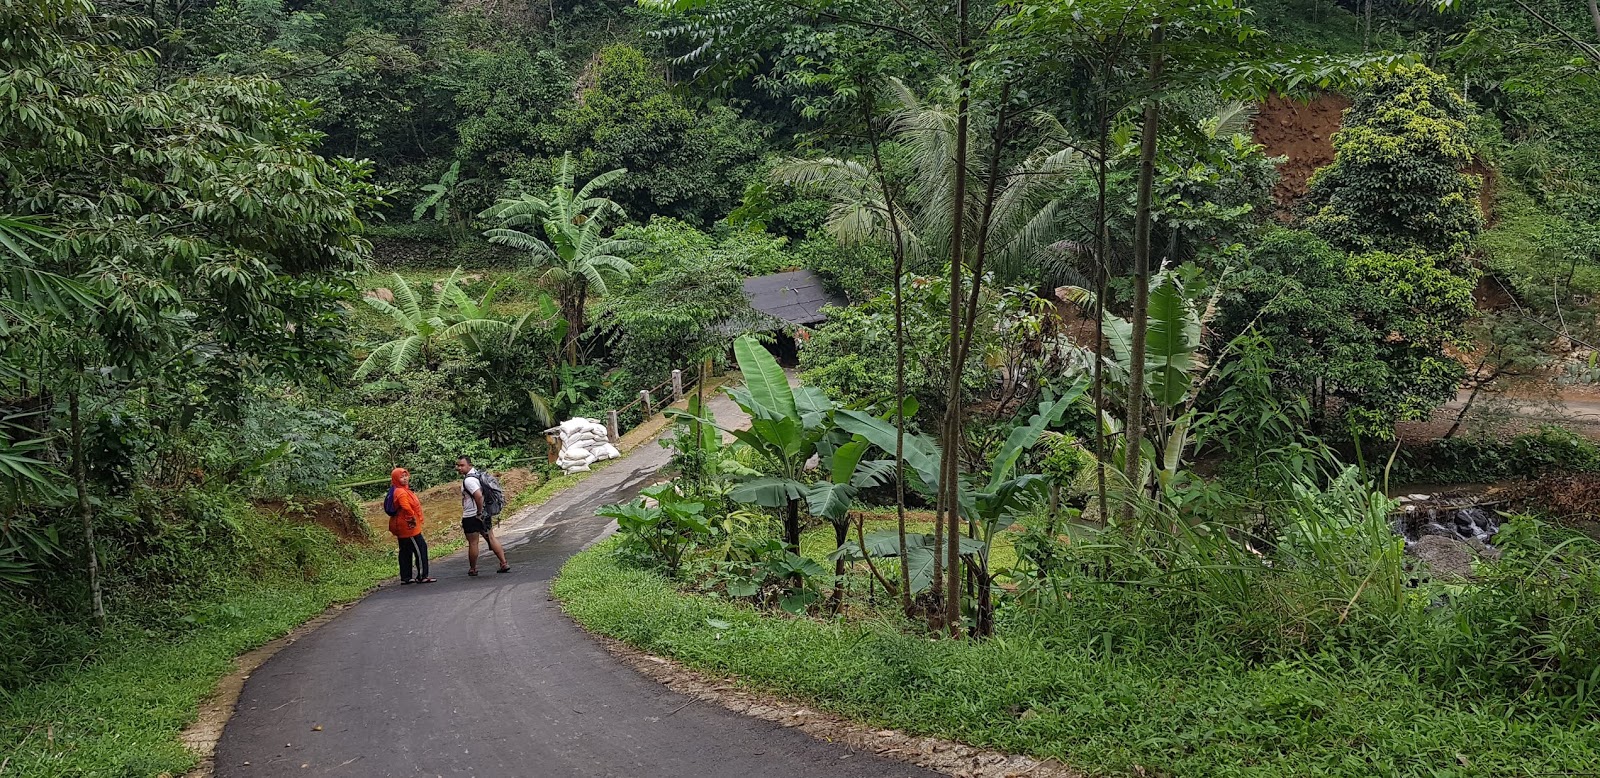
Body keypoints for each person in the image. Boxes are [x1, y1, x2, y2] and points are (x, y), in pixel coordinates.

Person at [457, 456, 509, 576]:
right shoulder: (478, 475)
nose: (459, 468)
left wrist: (479, 513)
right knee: (491, 537)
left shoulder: (469, 481)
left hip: (472, 516)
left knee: (473, 543)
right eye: (458, 465)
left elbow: (479, 496)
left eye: (462, 465)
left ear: (469, 465)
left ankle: (473, 568)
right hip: (484, 514)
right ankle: (504, 563)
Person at [387, 468, 435, 584]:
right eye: (401, 477)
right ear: (395, 479)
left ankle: (406, 577)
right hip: (408, 526)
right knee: (420, 548)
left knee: (405, 550)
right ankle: (422, 575)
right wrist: (412, 517)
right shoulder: (401, 492)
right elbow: (406, 507)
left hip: (401, 524)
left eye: (406, 476)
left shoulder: (401, 490)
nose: (405, 478)